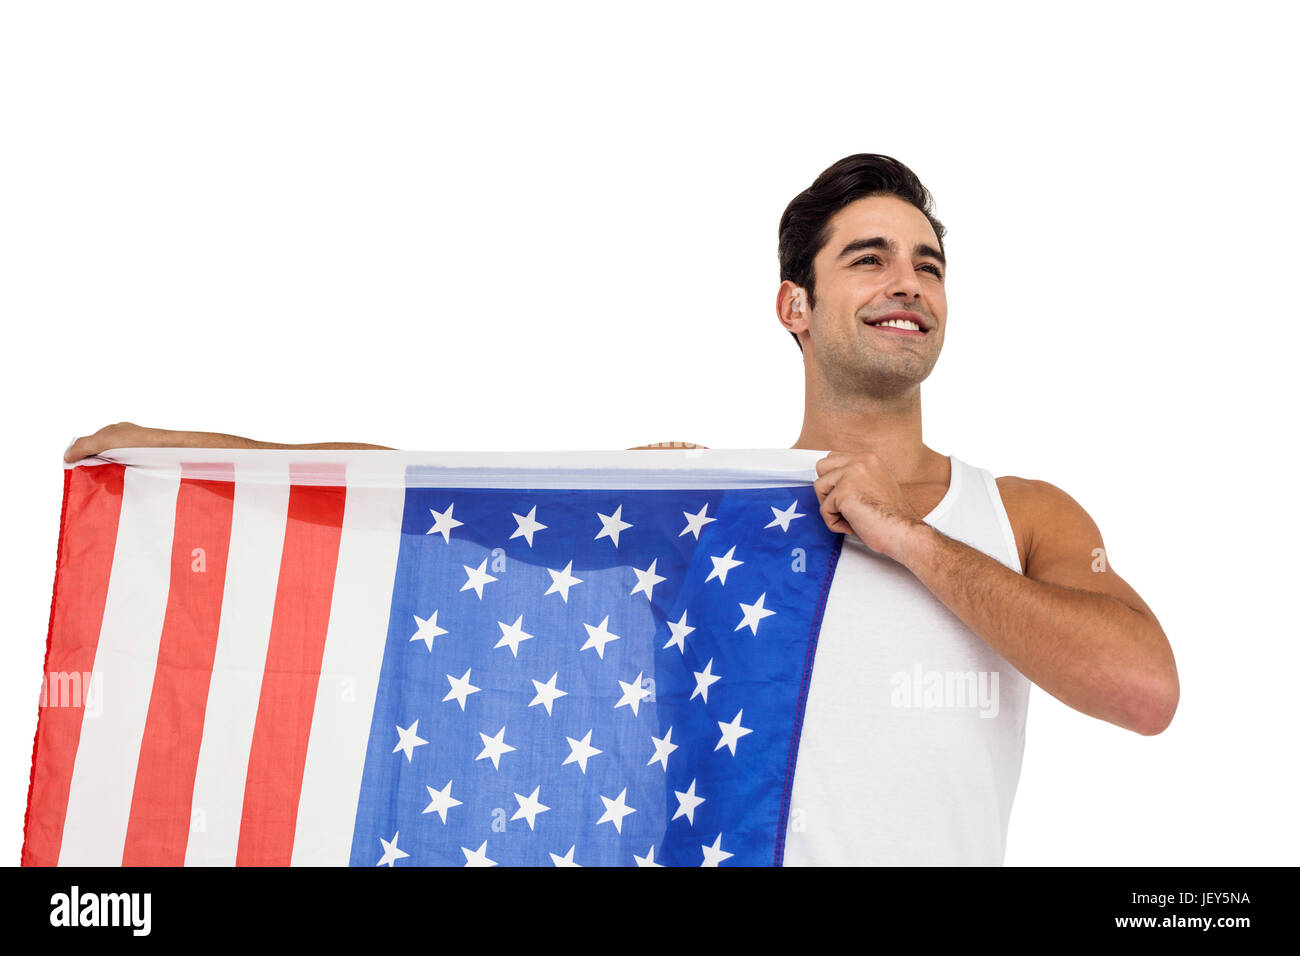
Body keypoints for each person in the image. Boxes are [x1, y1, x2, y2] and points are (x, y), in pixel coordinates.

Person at [64, 153, 1177, 865]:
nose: (909, 284)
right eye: (869, 258)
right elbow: (428, 488)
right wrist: (194, 456)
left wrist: (907, 535)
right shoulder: (699, 503)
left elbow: (1141, 688)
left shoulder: (1017, 510)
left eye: (927, 265)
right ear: (795, 303)